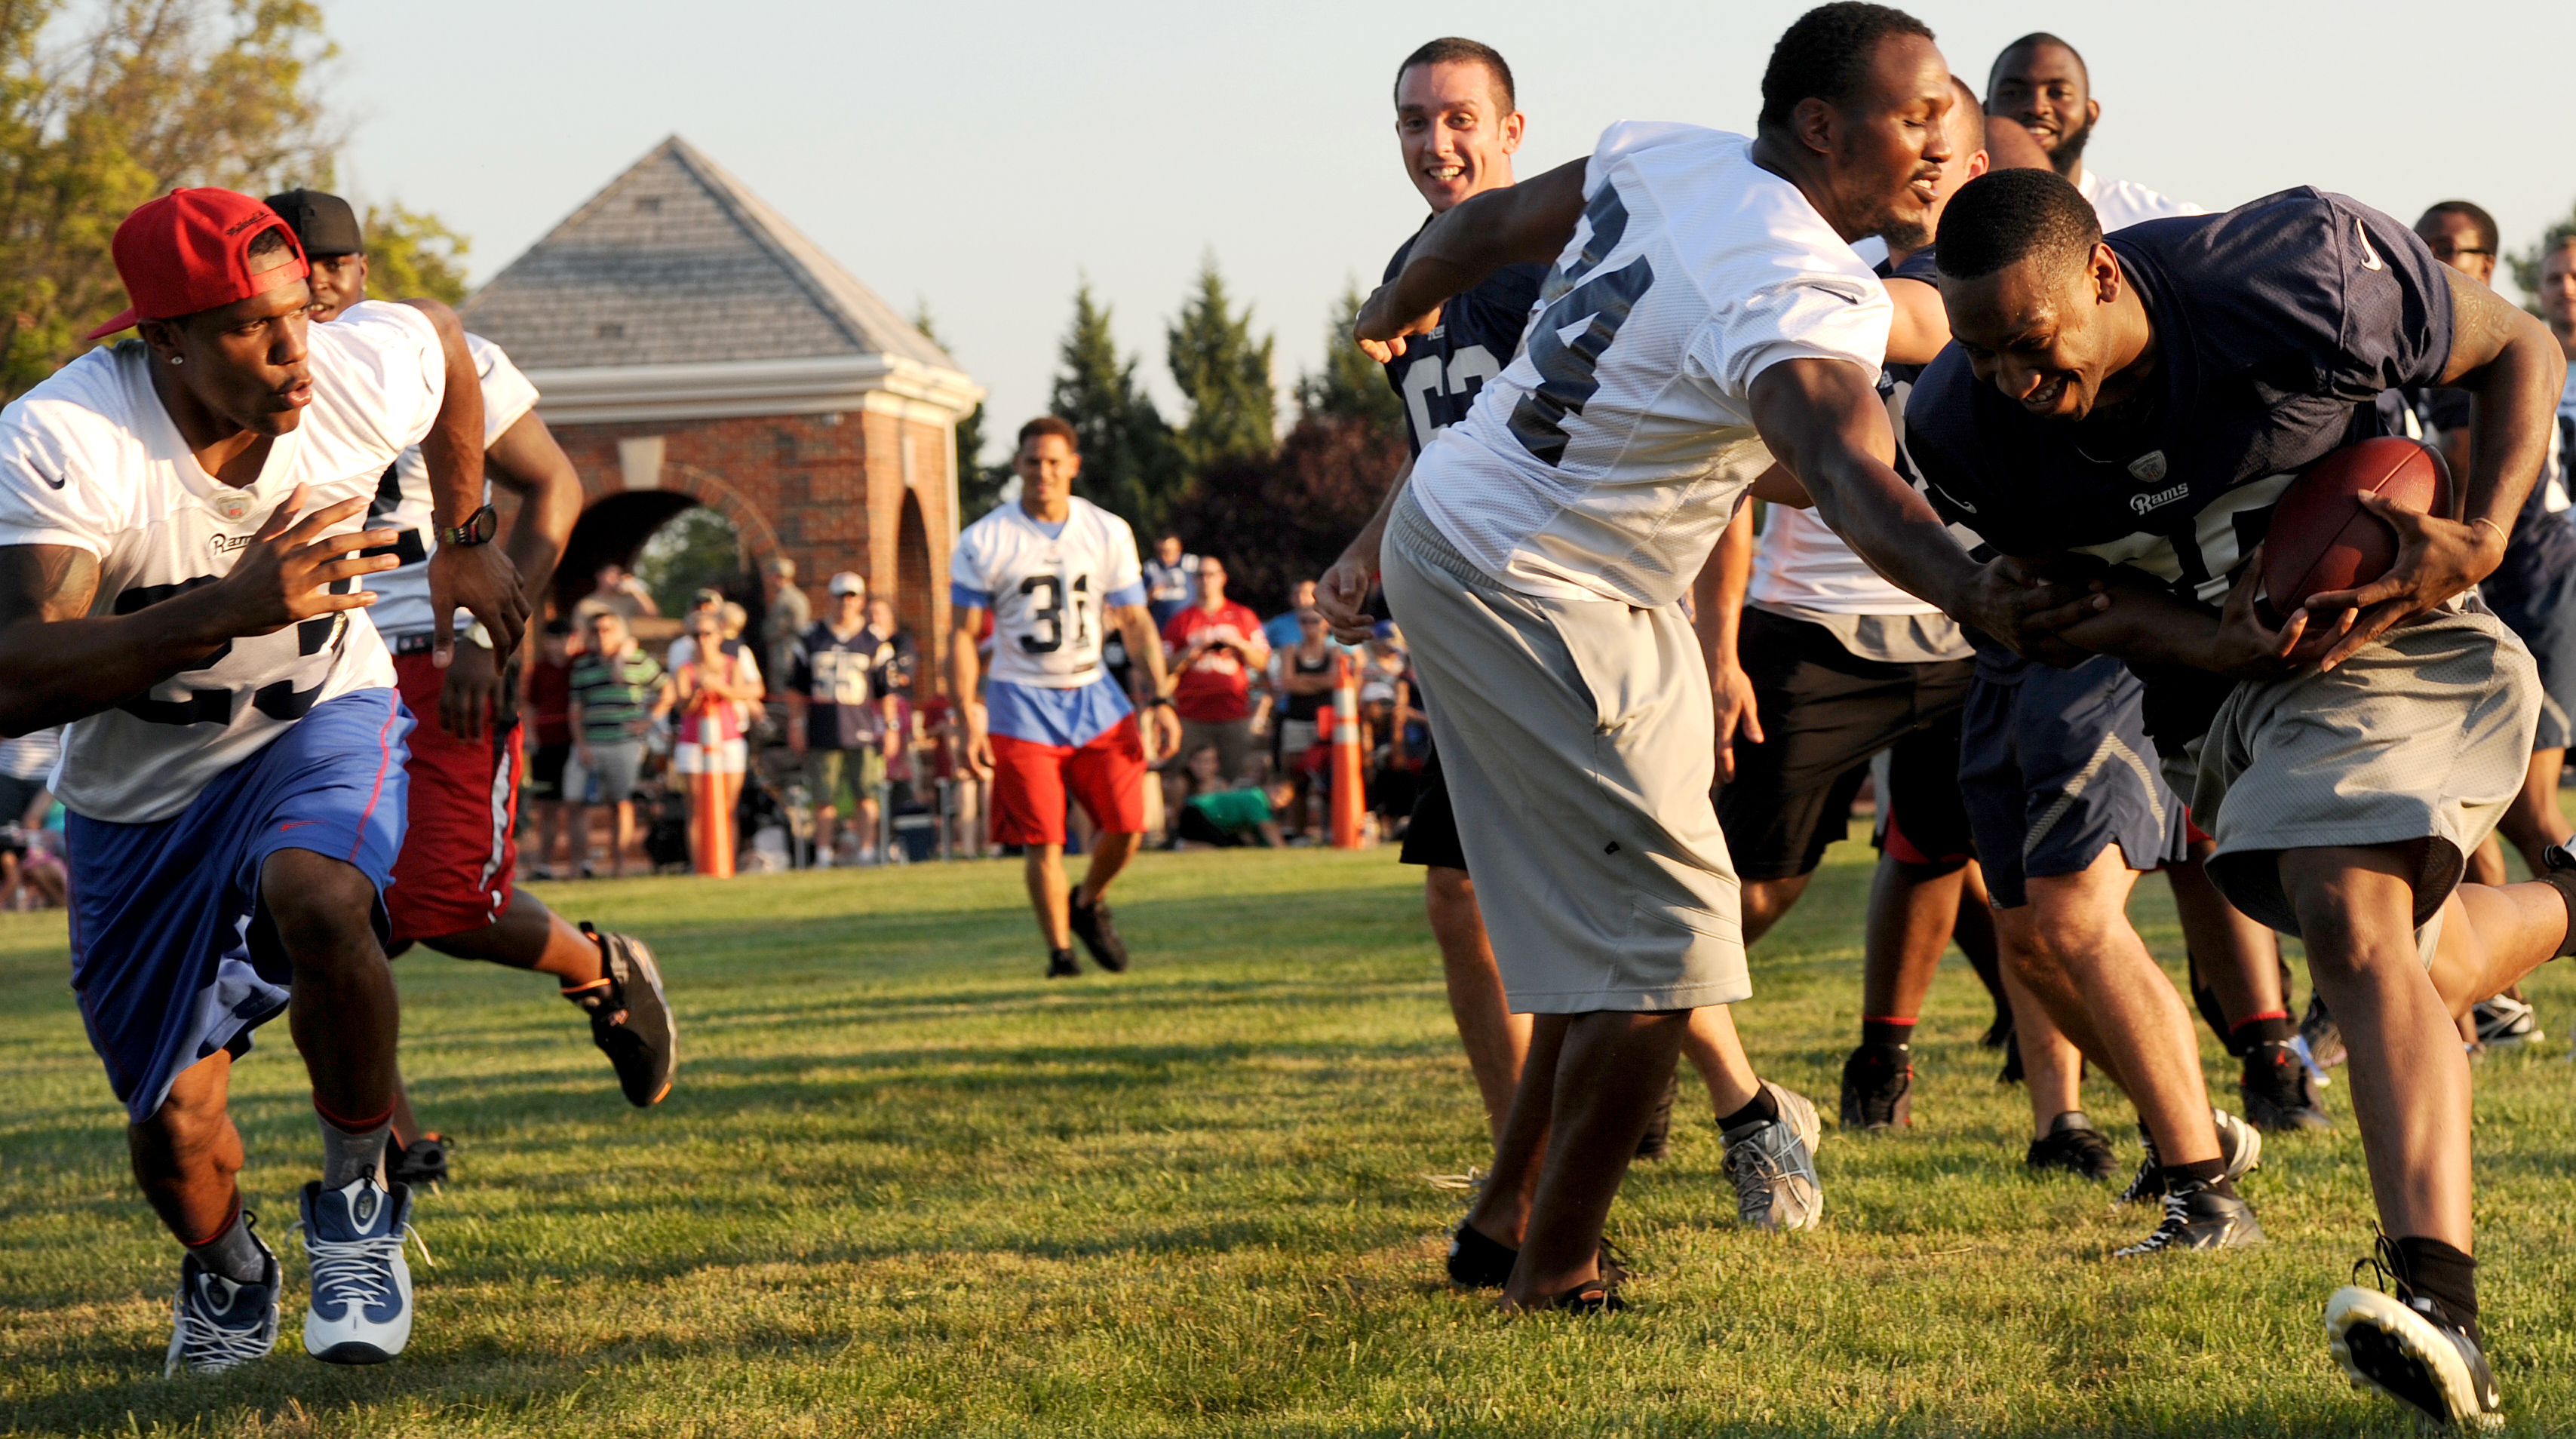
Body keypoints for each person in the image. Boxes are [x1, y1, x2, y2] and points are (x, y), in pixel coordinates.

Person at [1881, 166, 2571, 1427]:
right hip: (2217, 704)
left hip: (2384, 636)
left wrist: (2485, 529)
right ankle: (2571, 898)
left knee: (2350, 911)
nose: (2014, 382)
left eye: (2034, 347)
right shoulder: (1959, 422)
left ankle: (2442, 1309)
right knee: (2403, 956)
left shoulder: (2291, 272)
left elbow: (2517, 341)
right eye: (1983, 357)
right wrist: (2199, 643)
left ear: (2102, 273)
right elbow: (2062, 600)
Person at [1352, 2, 1994, 1309]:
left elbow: (1473, 233)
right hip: (1534, 580)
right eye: (1917, 113)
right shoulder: (1786, 281)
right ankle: (1558, 1271)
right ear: (1823, 127)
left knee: (1624, 946)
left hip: (1538, 555)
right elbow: (1838, 474)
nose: (1943, 140)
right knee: (1665, 955)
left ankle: (1504, 1222)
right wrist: (1986, 594)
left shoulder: (1676, 156)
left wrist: (1389, 301)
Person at [0, 187, 528, 1370]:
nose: (298, 349)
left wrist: (465, 530)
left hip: (318, 716)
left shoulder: (341, 372)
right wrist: (225, 611)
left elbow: (439, 338)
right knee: (176, 1128)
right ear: (168, 340)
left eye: (298, 312)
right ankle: (231, 1266)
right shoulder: (67, 437)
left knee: (323, 896)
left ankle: (355, 1202)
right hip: (142, 796)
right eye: (251, 327)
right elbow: (15, 671)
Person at [273, 190, 677, 1185]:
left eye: (335, 262)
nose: (319, 281)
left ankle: (600, 968)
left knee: (444, 905)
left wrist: (491, 640)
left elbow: (556, 486)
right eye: (297, 263)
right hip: (309, 663)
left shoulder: (434, 354)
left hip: (437, 649)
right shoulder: (252, 374)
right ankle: (390, 1143)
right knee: (315, 914)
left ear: (363, 270)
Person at [1979, 35, 2322, 1149]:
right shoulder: (1914, 266)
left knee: (2099, 900)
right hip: (2004, 610)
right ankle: (2101, 1119)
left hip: (2132, 584)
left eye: (2050, 94)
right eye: (2006, 99)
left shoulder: (2151, 227)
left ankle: (2210, 1139)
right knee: (2025, 921)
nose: (2032, 111)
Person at [1697, 76, 1997, 1137]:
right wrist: (1719, 646)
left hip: (1968, 639)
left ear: (1976, 166)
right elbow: (1734, 471)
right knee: (1753, 889)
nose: (1922, 159)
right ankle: (1635, 1044)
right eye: (1904, 139)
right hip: (1818, 631)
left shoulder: (2016, 294)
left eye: (1942, 143)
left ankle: (1900, 1065)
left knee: (1941, 858)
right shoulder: (1829, 287)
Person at [1317, 35, 1546, 1155]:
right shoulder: (1418, 260)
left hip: (1555, 617)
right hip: (1462, 629)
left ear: (1511, 130)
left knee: (1599, 897)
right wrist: (1368, 546)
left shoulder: (1543, 261)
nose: (1435, 142)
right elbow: (1437, 449)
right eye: (1414, 122)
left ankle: (1736, 1108)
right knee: (1469, 894)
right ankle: (1524, 1158)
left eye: (1460, 119)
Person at [2403, 203, 2564, 1052]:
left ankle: (2501, 979)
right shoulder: (2427, 348)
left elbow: (2463, 476)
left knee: (2527, 811)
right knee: (2471, 805)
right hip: (2495, 596)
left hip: (2531, 599)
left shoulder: (2482, 351)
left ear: (2488, 263)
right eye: (2420, 245)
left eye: (2449, 250)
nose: (2429, 260)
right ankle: (2493, 1000)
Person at [951, 417, 1180, 977]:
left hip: (1093, 690)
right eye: (1032, 462)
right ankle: (1060, 956)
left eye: (1054, 462)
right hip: (1019, 696)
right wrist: (966, 715)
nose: (1043, 473)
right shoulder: (985, 538)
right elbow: (960, 633)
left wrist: (1162, 697)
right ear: (1017, 466)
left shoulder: (1105, 530)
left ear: (1073, 466)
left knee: (1129, 823)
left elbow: (1133, 619)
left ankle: (1086, 901)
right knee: (1043, 837)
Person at [788, 572, 889, 866]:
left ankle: (867, 851)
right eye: (840, 596)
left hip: (863, 726)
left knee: (866, 793)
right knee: (823, 796)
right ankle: (822, 854)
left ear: (861, 601)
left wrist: (891, 727)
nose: (845, 602)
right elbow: (795, 688)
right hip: (823, 727)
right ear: (829, 598)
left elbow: (887, 692)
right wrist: (796, 724)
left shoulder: (874, 639)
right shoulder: (811, 637)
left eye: (852, 596)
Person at [566, 609, 671, 879]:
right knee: (574, 800)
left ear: (620, 632)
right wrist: (582, 745)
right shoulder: (583, 665)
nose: (601, 635)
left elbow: (668, 690)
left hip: (624, 741)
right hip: (590, 741)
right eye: (596, 630)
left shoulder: (637, 661)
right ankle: (579, 865)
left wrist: (650, 721)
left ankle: (619, 866)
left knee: (621, 803)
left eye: (607, 629)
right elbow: (575, 710)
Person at [1162, 554, 1269, 787]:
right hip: (1192, 715)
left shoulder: (1242, 616)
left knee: (1237, 778)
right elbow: (1165, 665)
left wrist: (1237, 643)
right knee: (1186, 781)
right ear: (1193, 580)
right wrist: (1193, 650)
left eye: (1211, 574)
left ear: (1222, 578)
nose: (1205, 580)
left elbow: (1262, 662)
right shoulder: (1181, 620)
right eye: (1200, 575)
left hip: (1234, 713)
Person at [671, 609, 758, 870]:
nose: (702, 640)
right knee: (697, 807)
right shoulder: (685, 670)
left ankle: (725, 862)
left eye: (708, 634)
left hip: (729, 738)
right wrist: (699, 690)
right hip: (693, 740)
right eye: (696, 635)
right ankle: (701, 865)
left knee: (727, 806)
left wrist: (721, 687)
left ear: (718, 636)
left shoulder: (732, 664)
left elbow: (744, 693)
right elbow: (682, 706)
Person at [522, 618, 577, 878]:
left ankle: (580, 866)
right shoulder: (539, 669)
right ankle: (544, 865)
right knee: (547, 808)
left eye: (564, 638)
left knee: (577, 805)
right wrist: (531, 735)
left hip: (576, 743)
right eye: (554, 639)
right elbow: (530, 705)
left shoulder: (580, 664)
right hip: (546, 744)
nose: (559, 645)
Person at [1172, 745, 1289, 848]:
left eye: (1284, 799)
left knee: (1236, 845)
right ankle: (1179, 845)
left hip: (1209, 819)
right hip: (1195, 814)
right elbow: (1268, 828)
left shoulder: (1223, 784)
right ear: (1268, 786)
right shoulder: (1256, 798)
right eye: (1278, 794)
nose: (1279, 800)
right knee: (1224, 847)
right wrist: (1283, 849)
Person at [760, 555, 811, 692]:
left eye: (770, 575)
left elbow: (775, 629)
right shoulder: (796, 596)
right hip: (788, 650)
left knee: (784, 693)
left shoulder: (786, 599)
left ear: (777, 576)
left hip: (786, 652)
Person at [572, 563, 656, 624]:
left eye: (618, 575)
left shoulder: (626, 600)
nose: (615, 579)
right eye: (611, 575)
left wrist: (636, 590)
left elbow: (653, 613)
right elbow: (580, 634)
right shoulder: (586, 605)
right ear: (599, 576)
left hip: (624, 647)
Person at [1143, 534, 1197, 630]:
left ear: (1179, 548)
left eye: (1168, 551)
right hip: (1163, 626)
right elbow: (1139, 602)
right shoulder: (1150, 567)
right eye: (1160, 552)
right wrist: (1150, 594)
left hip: (1190, 626)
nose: (1164, 556)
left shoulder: (1192, 564)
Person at [1263, 578, 1318, 652]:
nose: (1300, 598)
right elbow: (1265, 651)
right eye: (1296, 593)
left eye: (1305, 593)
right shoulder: (1278, 624)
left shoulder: (1330, 620)